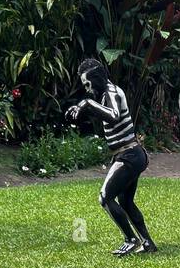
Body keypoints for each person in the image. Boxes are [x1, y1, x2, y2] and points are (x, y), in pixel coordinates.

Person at [64, 58, 156, 257]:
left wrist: (87, 104)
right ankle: (147, 243)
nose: (87, 89)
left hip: (129, 155)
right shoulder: (106, 93)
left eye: (88, 84)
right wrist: (82, 107)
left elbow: (113, 115)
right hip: (130, 154)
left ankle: (130, 239)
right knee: (125, 201)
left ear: (97, 79)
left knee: (105, 197)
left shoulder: (111, 93)